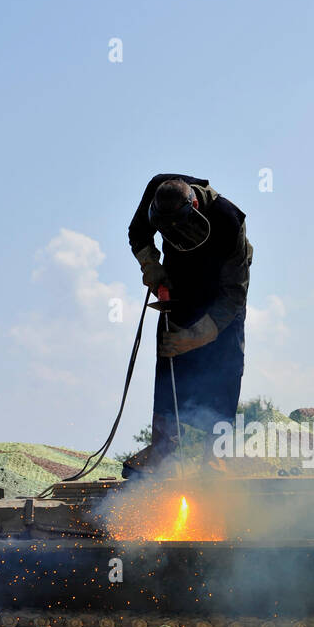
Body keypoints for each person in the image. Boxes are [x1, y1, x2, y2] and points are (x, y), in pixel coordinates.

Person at [124, 173, 252, 473]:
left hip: (222, 291)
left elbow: (234, 295)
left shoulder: (228, 220)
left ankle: (216, 454)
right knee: (170, 354)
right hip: (179, 282)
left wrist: (198, 336)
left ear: (194, 206)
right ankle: (163, 447)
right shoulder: (156, 190)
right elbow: (138, 233)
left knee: (226, 364)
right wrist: (152, 267)